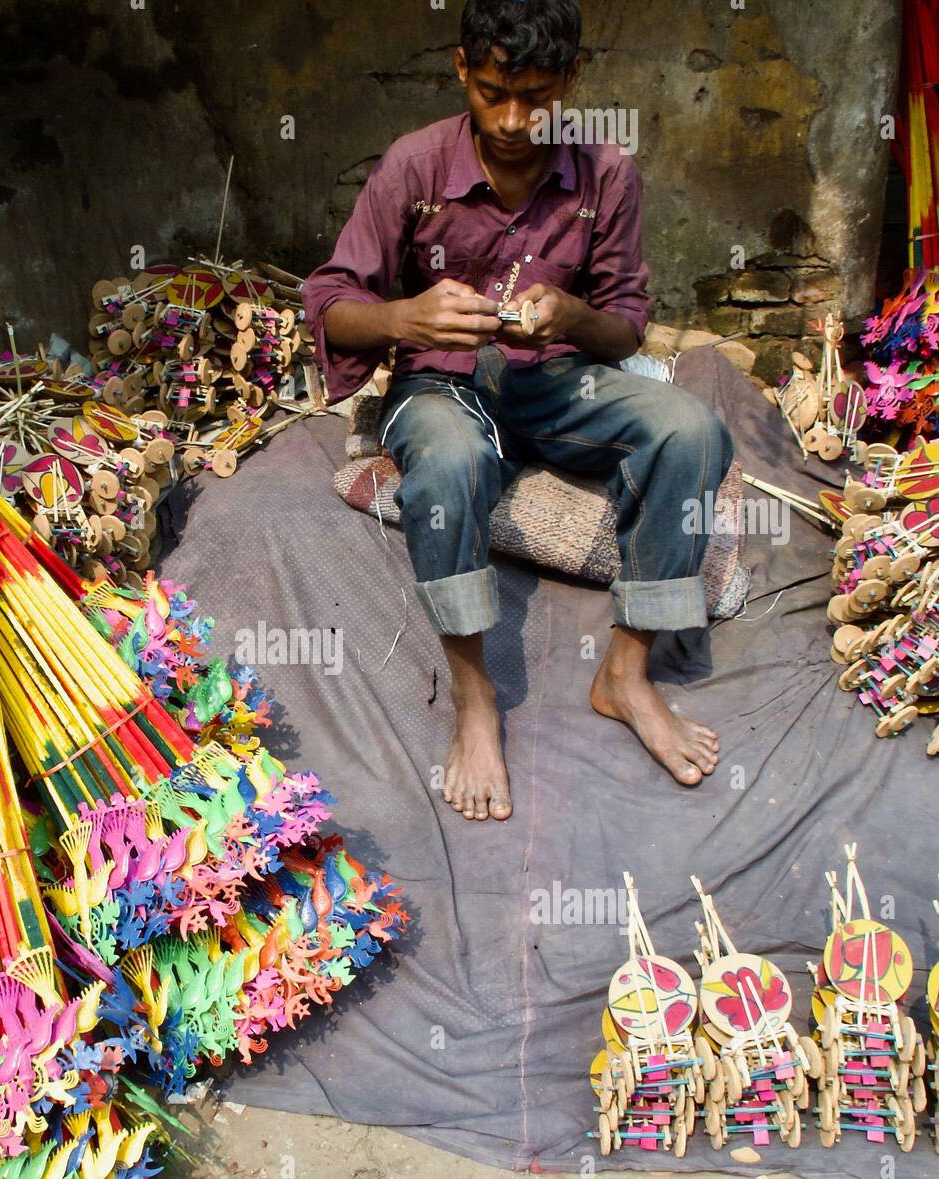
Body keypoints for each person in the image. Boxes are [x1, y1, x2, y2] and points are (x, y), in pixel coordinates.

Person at [302, 0, 730, 823]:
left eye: (535, 96)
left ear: (570, 81)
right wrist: (403, 318)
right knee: (453, 459)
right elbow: (330, 298)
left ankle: (626, 675)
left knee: (693, 429)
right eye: (493, 90)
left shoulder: (607, 175)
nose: (510, 119)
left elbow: (626, 324)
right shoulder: (413, 168)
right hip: (440, 384)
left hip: (554, 381)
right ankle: (474, 700)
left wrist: (570, 316)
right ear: (462, 67)